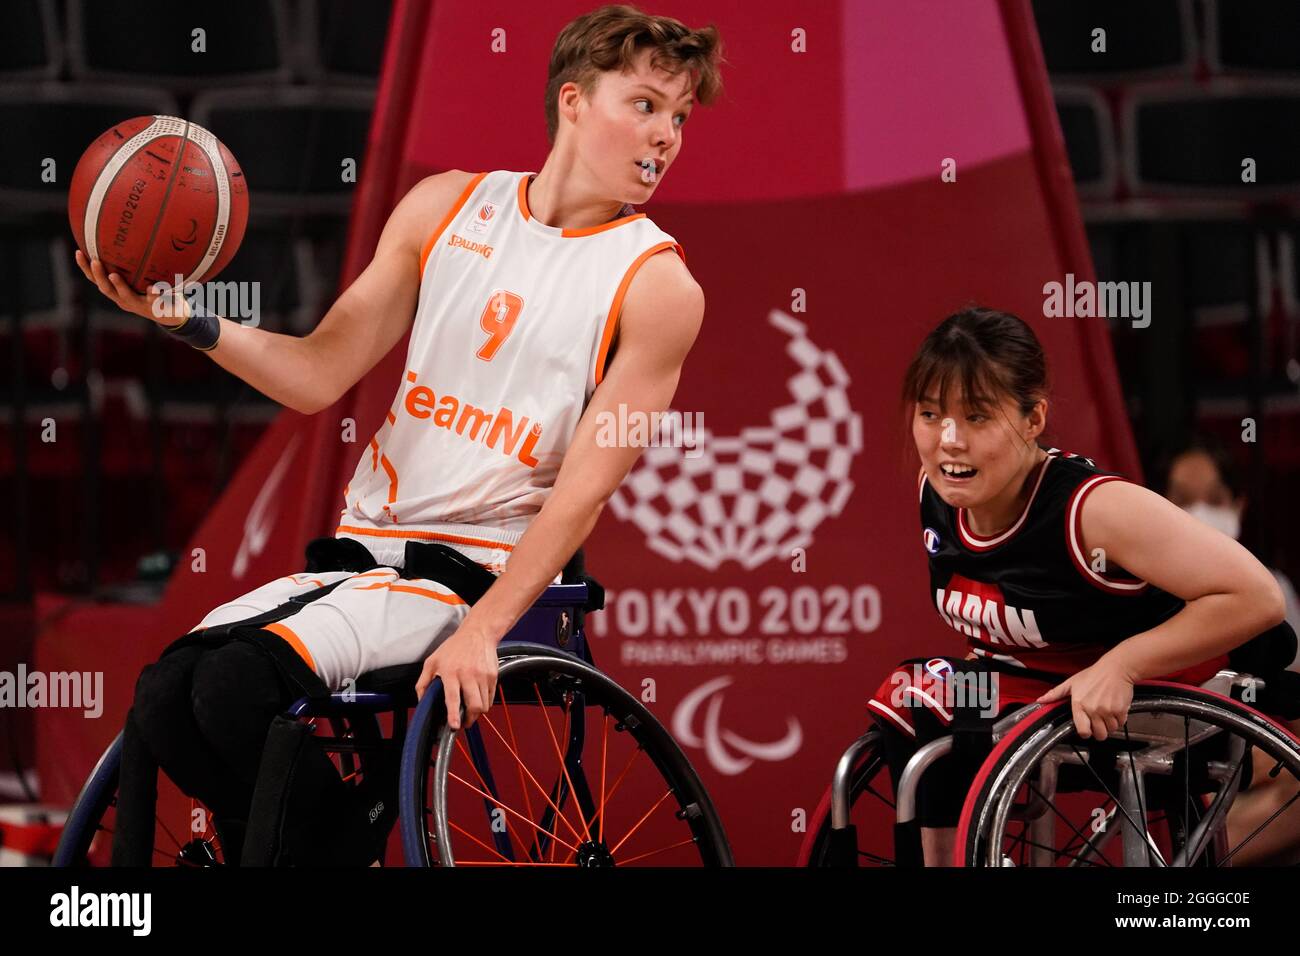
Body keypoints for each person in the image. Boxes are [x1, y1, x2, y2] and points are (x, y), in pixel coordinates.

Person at [74, 4, 726, 865]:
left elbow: (585, 492)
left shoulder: (657, 287)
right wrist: (191, 322)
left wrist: (486, 629)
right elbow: (316, 374)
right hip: (361, 555)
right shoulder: (443, 207)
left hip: (469, 576)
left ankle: (319, 847)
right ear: (573, 101)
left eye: (679, 116)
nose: (667, 135)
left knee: (235, 688)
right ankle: (319, 844)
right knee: (163, 696)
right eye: (645, 104)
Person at [867, 306, 1297, 866]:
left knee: (928, 692)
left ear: (1032, 418)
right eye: (930, 415)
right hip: (1047, 687)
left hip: (1169, 684)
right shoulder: (939, 493)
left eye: (976, 417)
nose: (949, 440)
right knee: (915, 696)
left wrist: (1123, 665)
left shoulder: (1092, 508)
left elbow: (1259, 599)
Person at [1157, 434, 1300, 666]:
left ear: (1238, 507)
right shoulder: (1142, 593)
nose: (1200, 513)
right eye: (1182, 499)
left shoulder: (1274, 588)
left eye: (1214, 500)